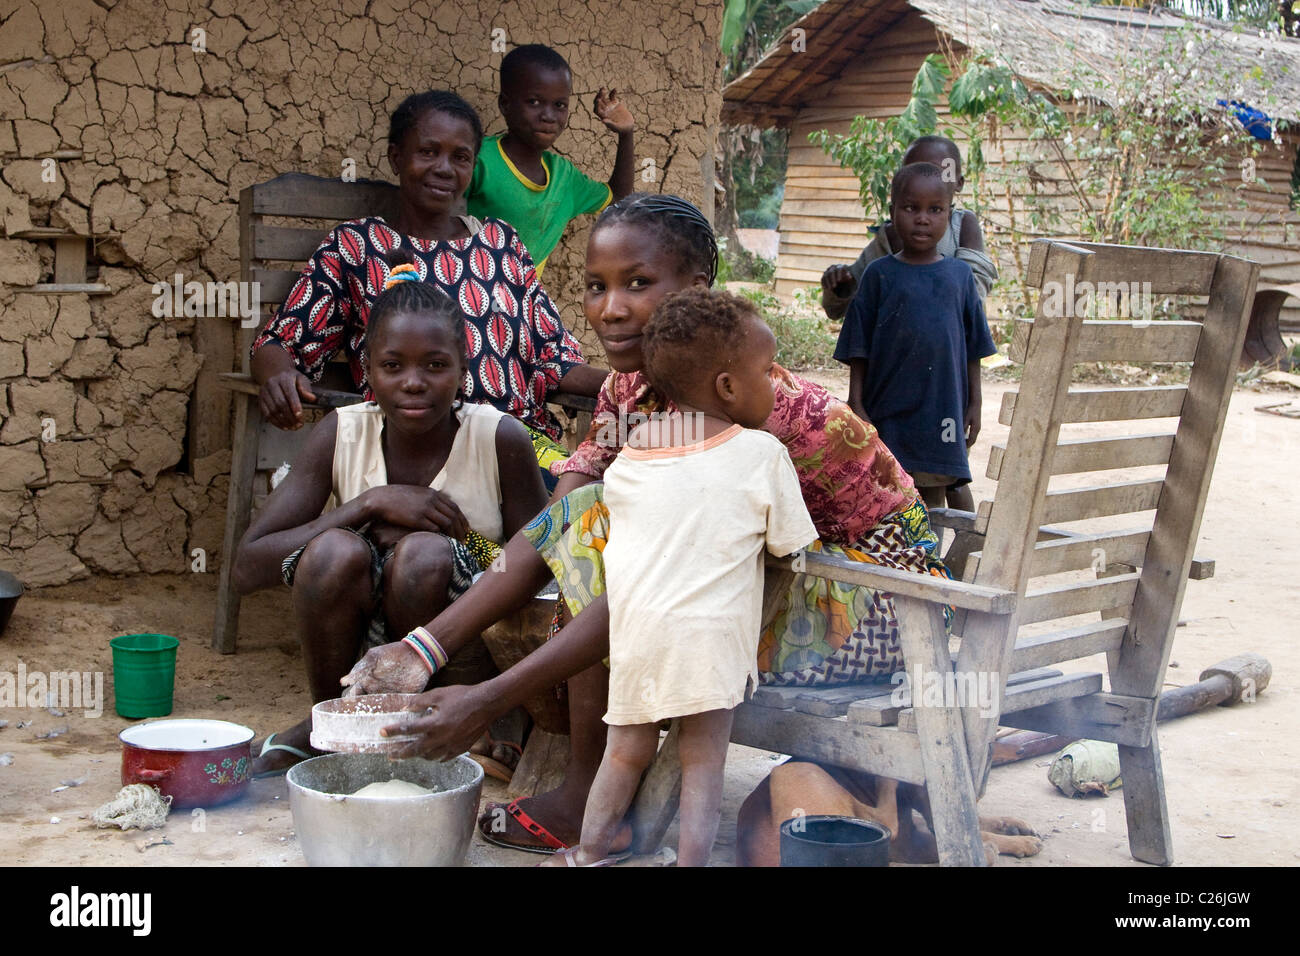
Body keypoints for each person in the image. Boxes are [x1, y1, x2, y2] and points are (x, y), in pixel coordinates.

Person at [341, 194, 948, 855]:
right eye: (597, 287)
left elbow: (666, 575)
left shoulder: (748, 402)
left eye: (637, 283)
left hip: (885, 607)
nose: (611, 308)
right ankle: (585, 778)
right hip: (778, 586)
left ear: (693, 289)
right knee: (589, 517)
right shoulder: (627, 392)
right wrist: (419, 649)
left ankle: (588, 792)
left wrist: (488, 697)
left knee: (615, 538)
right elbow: (559, 522)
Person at [233, 261, 549, 777]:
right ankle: (338, 726)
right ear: (369, 370)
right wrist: (367, 505)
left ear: (464, 367)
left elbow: (543, 570)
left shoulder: (498, 438)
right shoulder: (343, 432)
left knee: (423, 554)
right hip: (357, 654)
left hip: (459, 649)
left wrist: (461, 542)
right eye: (393, 365)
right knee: (334, 550)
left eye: (435, 365)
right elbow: (247, 567)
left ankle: (434, 726)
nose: (413, 383)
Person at [541, 290, 816, 867]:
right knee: (703, 760)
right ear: (727, 387)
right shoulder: (763, 454)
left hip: (637, 635)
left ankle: (586, 855)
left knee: (625, 751)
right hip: (711, 639)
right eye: (768, 370)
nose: (781, 381)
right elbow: (793, 548)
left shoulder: (637, 448)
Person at [249, 89, 607, 487]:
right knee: (565, 521)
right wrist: (278, 377)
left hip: (520, 447)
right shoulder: (358, 247)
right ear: (397, 157)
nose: (444, 169)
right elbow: (280, 341)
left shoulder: (502, 244)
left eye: (460, 157)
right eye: (428, 152)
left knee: (606, 508)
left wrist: (634, 383)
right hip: (418, 453)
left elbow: (553, 357)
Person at [835, 162, 998, 512]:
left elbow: (974, 348)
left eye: (935, 210)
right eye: (911, 208)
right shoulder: (880, 275)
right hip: (887, 410)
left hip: (943, 411)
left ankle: (933, 565)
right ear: (892, 212)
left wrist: (975, 403)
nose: (923, 218)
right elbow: (858, 346)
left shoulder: (960, 277)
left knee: (937, 491)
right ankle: (899, 563)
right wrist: (856, 402)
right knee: (889, 492)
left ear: (949, 215)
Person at [465, 44, 635, 277]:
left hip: (521, 308)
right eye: (534, 102)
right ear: (505, 104)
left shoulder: (564, 178)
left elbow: (618, 197)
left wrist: (626, 134)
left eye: (559, 105)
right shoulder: (477, 161)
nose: (548, 116)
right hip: (466, 296)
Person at [820, 135, 997, 321]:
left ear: (959, 183)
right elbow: (839, 308)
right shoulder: (891, 234)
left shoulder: (963, 225)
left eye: (936, 172)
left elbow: (975, 293)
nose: (924, 181)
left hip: (952, 344)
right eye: (914, 172)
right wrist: (839, 285)